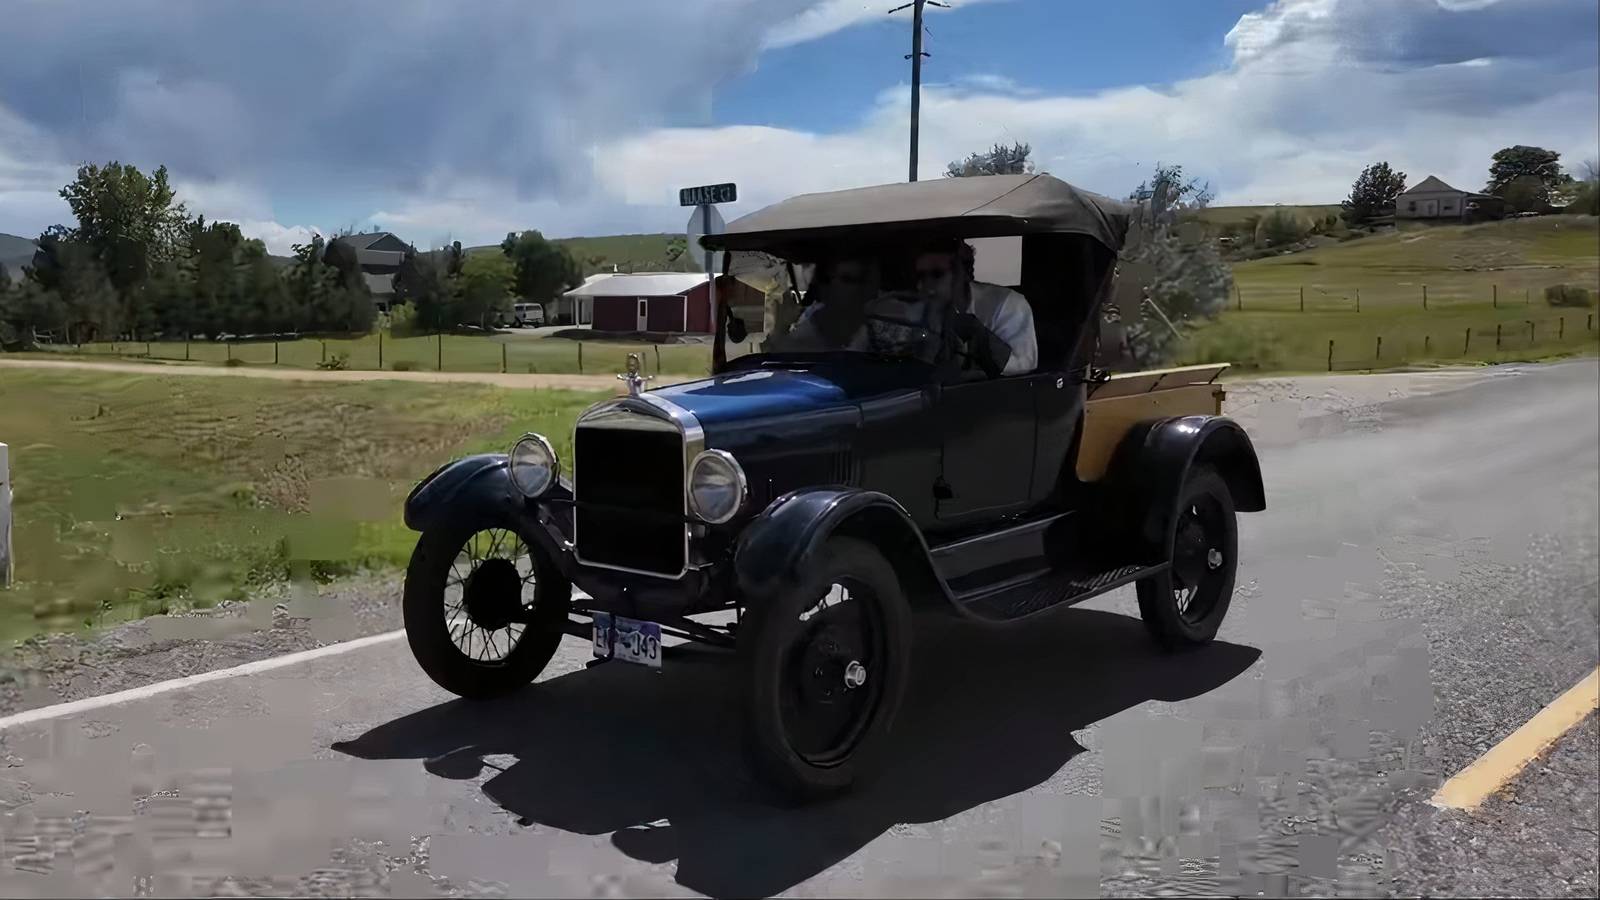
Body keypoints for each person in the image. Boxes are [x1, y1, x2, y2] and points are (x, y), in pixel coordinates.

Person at [910, 239, 1037, 376]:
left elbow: (1023, 364)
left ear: (964, 272)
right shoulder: (917, 310)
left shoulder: (1007, 304)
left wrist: (977, 335)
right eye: (921, 276)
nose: (923, 286)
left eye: (936, 274)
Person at [767, 256, 880, 352]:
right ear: (825, 286)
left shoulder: (879, 330)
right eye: (849, 279)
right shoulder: (802, 343)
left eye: (865, 280)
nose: (863, 289)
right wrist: (780, 329)